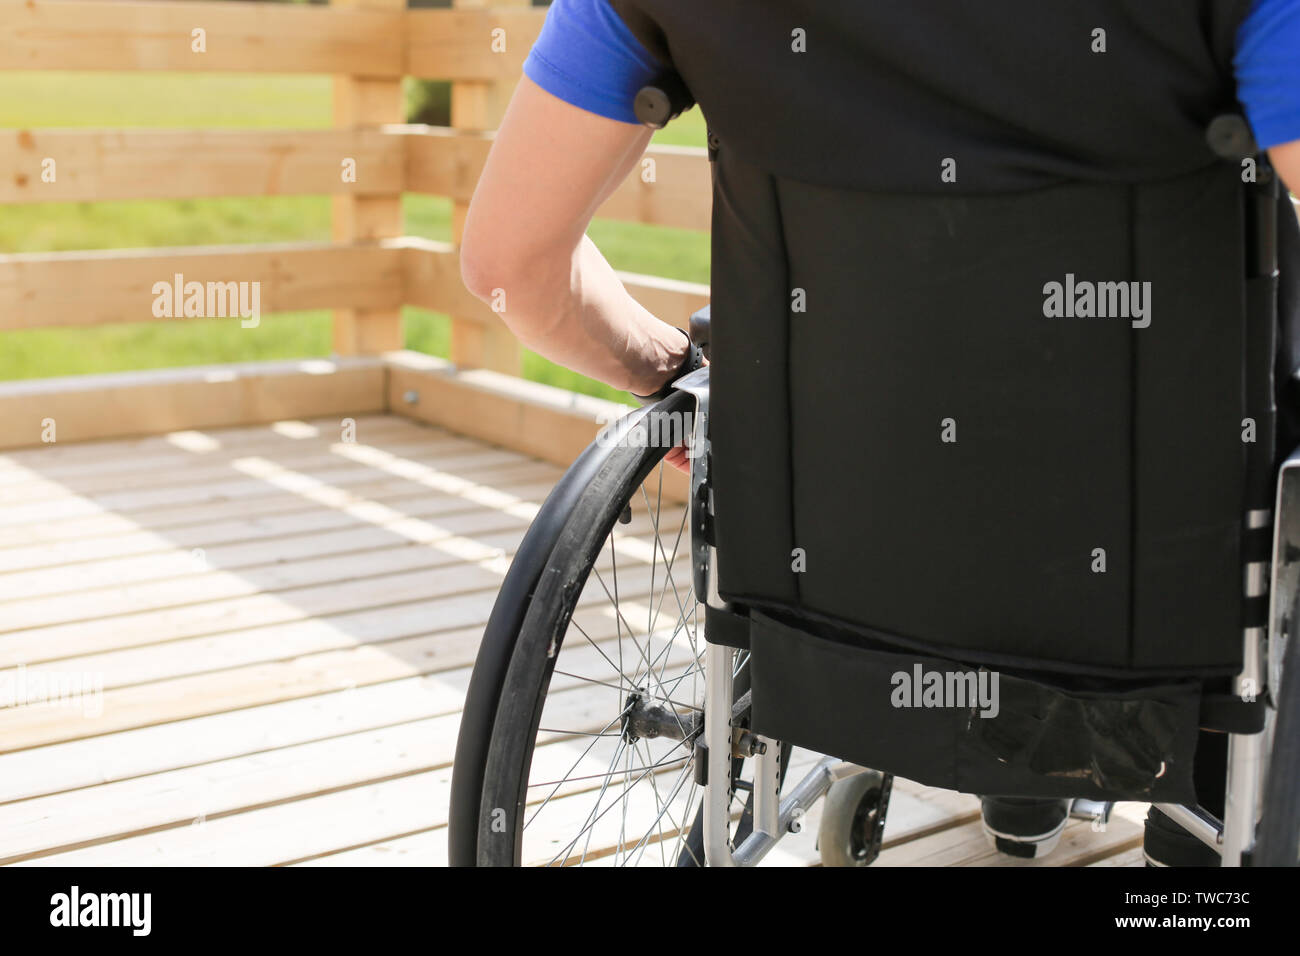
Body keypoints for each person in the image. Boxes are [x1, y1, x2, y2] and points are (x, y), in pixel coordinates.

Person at [460, 0, 1300, 864]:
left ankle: (1016, 776)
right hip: (1157, 600)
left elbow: (509, 267)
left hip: (831, 585)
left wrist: (672, 378)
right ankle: (1194, 797)